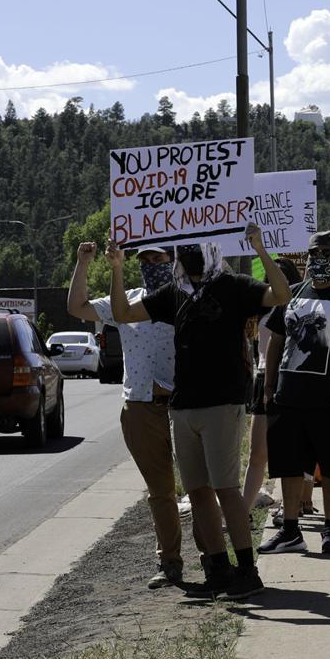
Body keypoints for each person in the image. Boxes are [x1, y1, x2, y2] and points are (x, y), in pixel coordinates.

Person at [107, 225, 290, 599]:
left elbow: (281, 293)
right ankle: (218, 569)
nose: (189, 254)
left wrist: (260, 249)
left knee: (225, 488)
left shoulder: (234, 285)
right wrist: (116, 267)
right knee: (198, 491)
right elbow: (123, 312)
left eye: (195, 247)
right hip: (183, 406)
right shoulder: (175, 293)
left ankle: (246, 570)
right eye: (184, 249)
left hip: (222, 403)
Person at [67, 242, 217, 589]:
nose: (152, 263)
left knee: (199, 486)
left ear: (173, 260)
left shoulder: (189, 297)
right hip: (139, 404)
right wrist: (85, 263)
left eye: (159, 258)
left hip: (185, 402)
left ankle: (213, 559)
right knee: (159, 490)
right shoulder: (127, 299)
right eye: (145, 259)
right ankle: (169, 563)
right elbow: (77, 307)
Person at [258, 231, 330, 555]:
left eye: (327, 252)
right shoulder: (292, 295)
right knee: (289, 466)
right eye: (313, 253)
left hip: (329, 399)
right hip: (288, 397)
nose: (319, 258)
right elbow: (277, 342)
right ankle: (291, 532)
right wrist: (269, 387)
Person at [243, 258, 303, 514]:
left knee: (291, 450)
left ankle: (294, 505)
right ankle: (241, 511)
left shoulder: (300, 307)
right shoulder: (259, 307)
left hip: (290, 379)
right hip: (262, 377)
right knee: (257, 452)